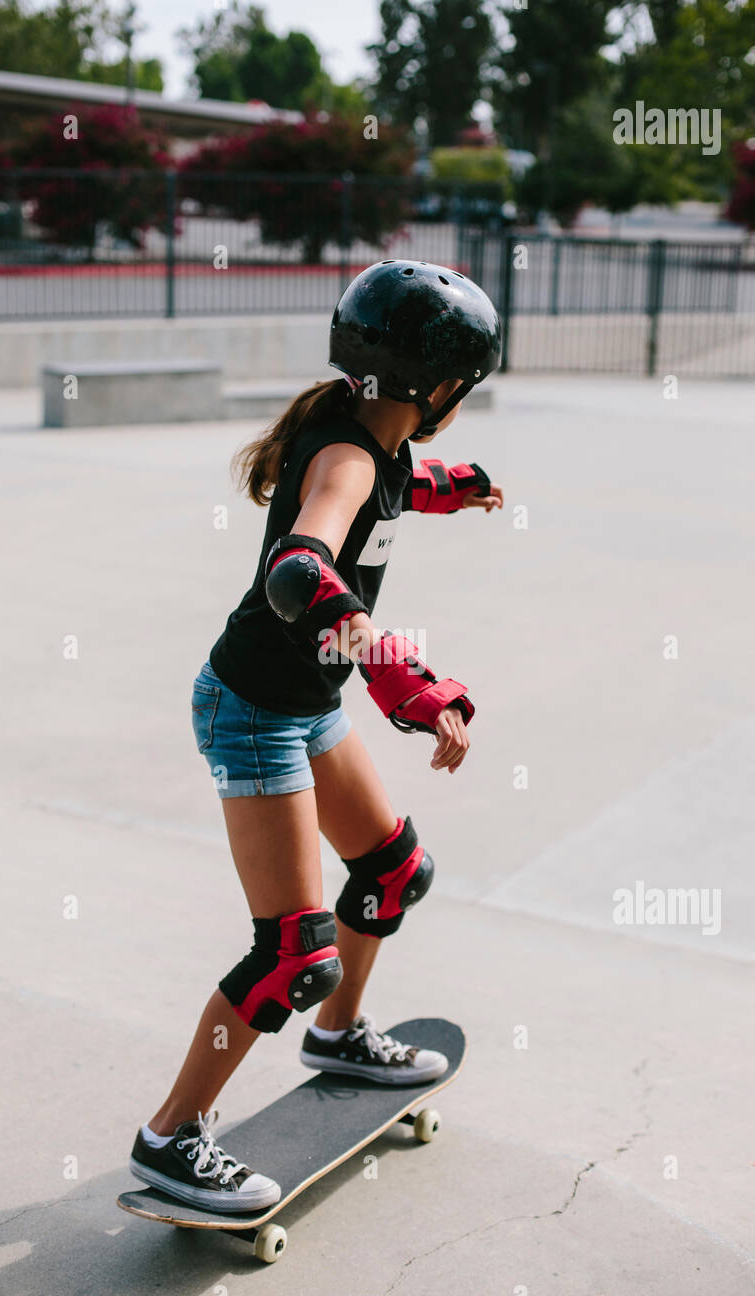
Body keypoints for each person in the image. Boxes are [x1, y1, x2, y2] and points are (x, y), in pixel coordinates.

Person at [128, 259, 502, 1212]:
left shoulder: (374, 442)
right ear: (437, 387)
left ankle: (338, 1037)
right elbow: (298, 571)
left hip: (306, 704)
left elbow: (388, 484)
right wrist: (404, 678)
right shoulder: (346, 455)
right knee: (294, 951)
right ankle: (169, 1139)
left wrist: (451, 488)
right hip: (255, 711)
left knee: (389, 870)